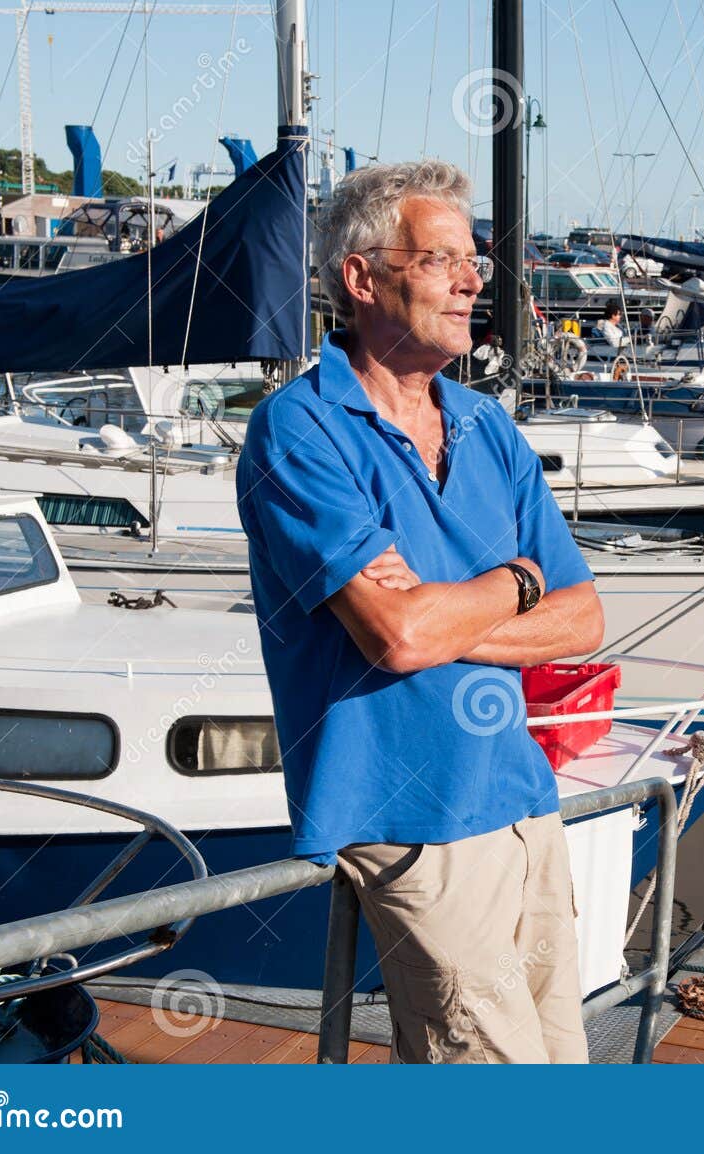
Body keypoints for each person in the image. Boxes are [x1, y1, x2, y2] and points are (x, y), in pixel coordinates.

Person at [236, 160, 605, 1064]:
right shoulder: (300, 427)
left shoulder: (489, 425)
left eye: (472, 259)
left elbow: (586, 618)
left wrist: (450, 614)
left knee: (564, 1065)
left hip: (523, 802)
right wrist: (516, 581)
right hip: (411, 820)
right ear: (363, 278)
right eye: (443, 259)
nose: (474, 279)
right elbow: (397, 638)